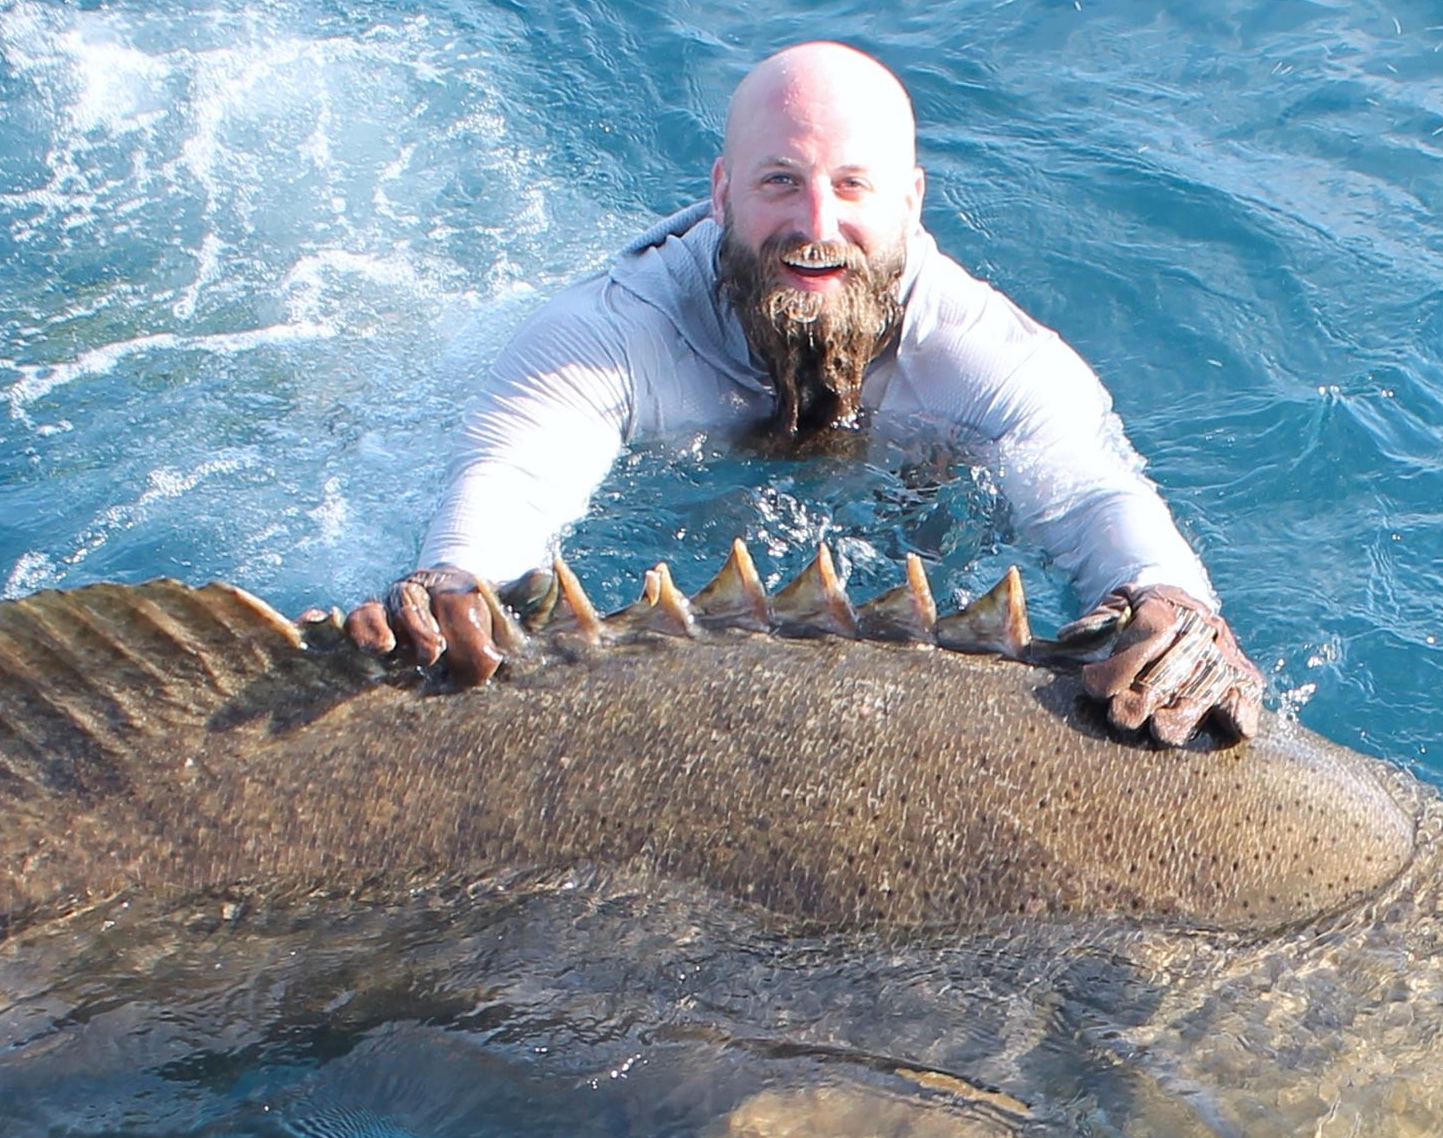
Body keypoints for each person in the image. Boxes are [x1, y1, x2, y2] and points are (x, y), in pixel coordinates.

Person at [347, 40, 1264, 745]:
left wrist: (1173, 602)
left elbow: (1098, 494)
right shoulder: (607, 334)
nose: (815, 226)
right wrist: (454, 579)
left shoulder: (988, 354)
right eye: (780, 182)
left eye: (851, 187)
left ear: (910, 200)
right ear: (721, 193)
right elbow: (512, 477)